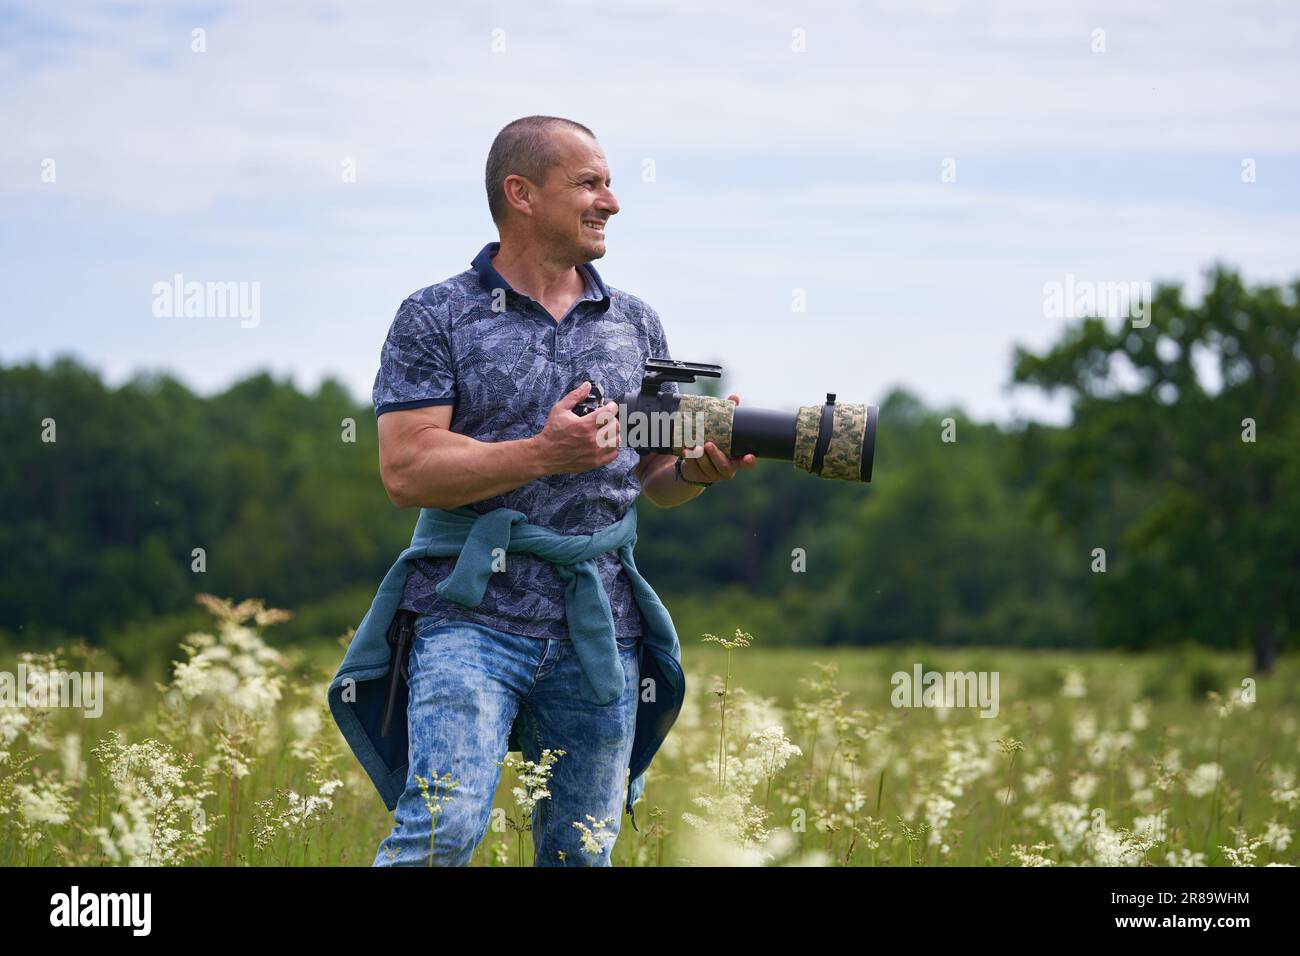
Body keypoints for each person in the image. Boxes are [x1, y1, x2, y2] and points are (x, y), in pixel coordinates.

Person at [365, 116, 756, 866]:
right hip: (467, 618)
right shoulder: (435, 315)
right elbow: (406, 469)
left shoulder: (635, 321)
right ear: (521, 193)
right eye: (589, 183)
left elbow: (651, 480)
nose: (611, 202)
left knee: (581, 853)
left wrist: (696, 474)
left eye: (608, 184)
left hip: (601, 627)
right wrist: (543, 454)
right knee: (441, 833)